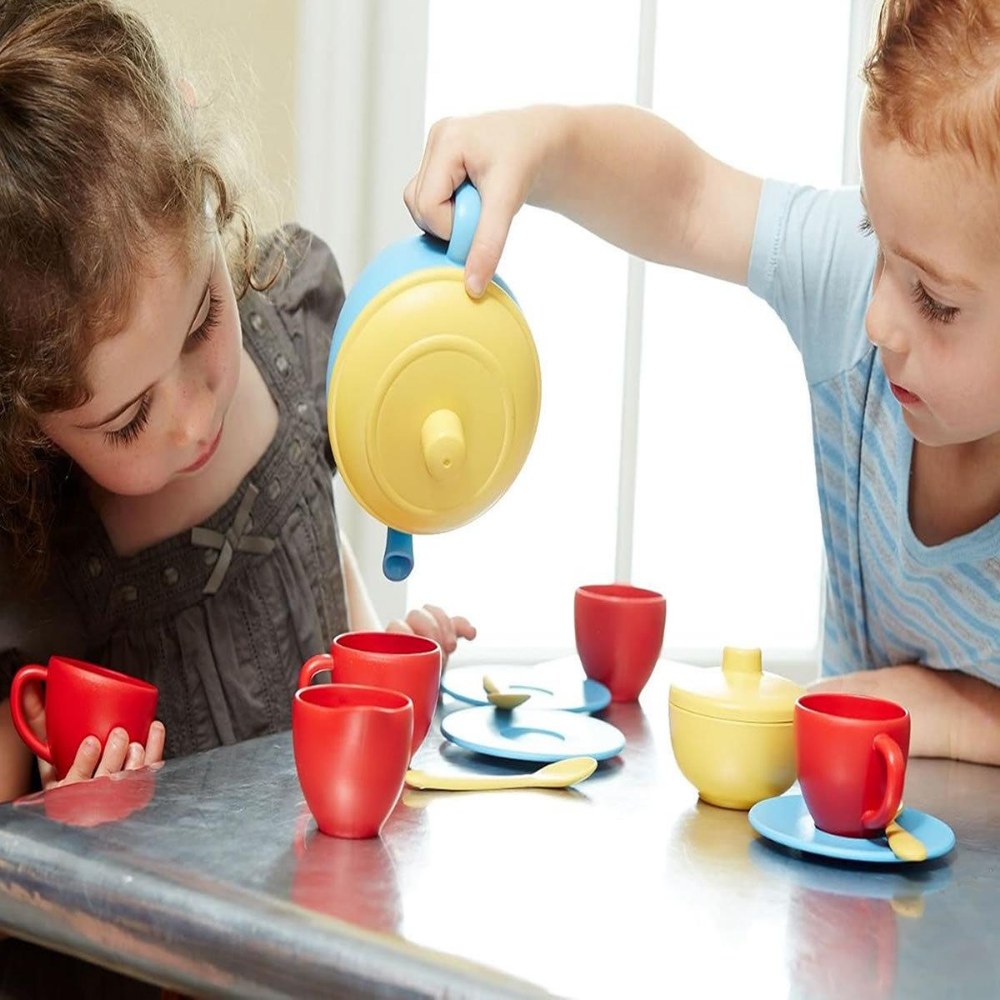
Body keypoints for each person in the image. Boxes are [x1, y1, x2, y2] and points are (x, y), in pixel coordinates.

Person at [405, 0, 1000, 765]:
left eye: (935, 300)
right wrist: (543, 143)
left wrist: (948, 710)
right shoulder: (857, 291)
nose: (878, 316)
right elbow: (687, 198)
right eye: (873, 238)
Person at [0, 0, 475, 807]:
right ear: (23, 423)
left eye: (201, 322)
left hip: (328, 905)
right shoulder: (38, 538)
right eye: (128, 419)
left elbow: (330, 590)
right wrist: (67, 806)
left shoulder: (291, 331)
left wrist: (389, 666)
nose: (192, 420)